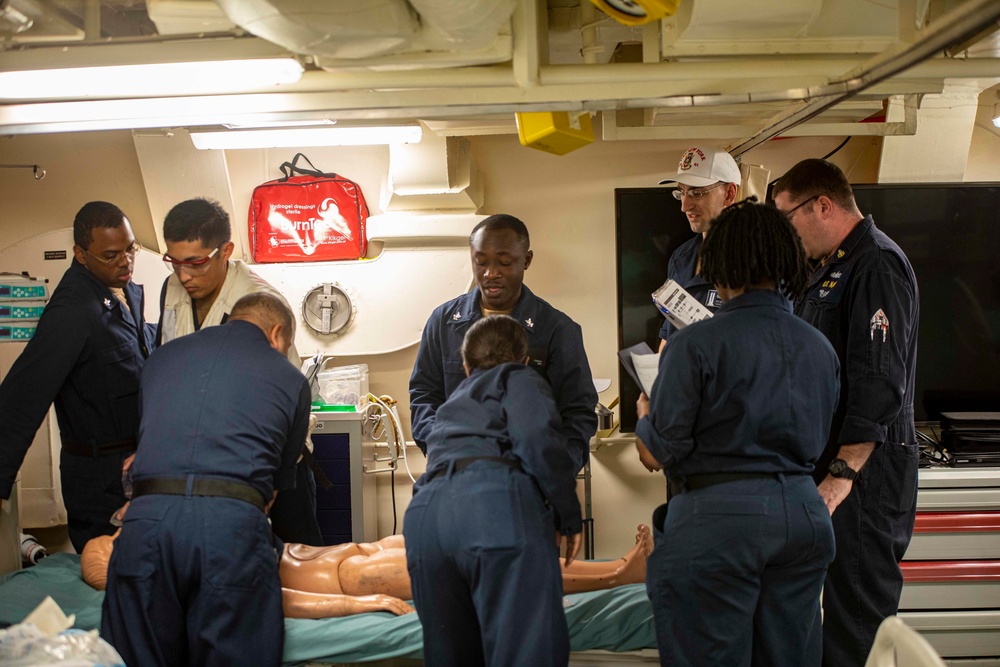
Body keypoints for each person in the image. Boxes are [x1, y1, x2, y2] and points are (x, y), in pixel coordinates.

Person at [634, 200, 840, 666]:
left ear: (720, 262)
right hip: (803, 518)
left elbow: (660, 449)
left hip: (718, 523)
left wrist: (646, 413)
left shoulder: (694, 344)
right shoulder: (818, 347)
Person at [101, 293, 310, 667]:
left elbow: (149, 443)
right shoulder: (291, 380)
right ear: (277, 334)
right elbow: (271, 493)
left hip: (146, 524)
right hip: (228, 526)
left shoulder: (161, 359)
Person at [772, 159, 920, 667]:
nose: (787, 235)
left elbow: (878, 384)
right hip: (838, 467)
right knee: (837, 620)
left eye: (787, 219)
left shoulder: (876, 264)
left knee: (858, 622)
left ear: (823, 206)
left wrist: (842, 473)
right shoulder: (832, 267)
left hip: (865, 474)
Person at [405, 315, 584, 667]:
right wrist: (569, 516)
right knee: (527, 653)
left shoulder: (453, 403)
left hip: (426, 519)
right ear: (523, 358)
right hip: (491, 506)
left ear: (467, 366)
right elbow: (538, 441)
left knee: (451, 655)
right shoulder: (518, 377)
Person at [156, 197, 321, 546]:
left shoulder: (260, 303)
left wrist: (271, 482)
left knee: (297, 559)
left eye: (196, 263)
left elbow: (289, 399)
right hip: (204, 466)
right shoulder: (171, 289)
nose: (184, 275)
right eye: (175, 262)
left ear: (226, 250)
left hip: (272, 466)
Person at [0, 201, 155, 553]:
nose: (126, 261)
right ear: (81, 255)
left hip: (135, 467)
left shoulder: (123, 290)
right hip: (98, 480)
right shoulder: (71, 312)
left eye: (130, 249)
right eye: (111, 255)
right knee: (107, 577)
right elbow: (22, 397)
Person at [83, 525, 653, 618]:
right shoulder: (197, 575)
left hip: (357, 551)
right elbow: (288, 602)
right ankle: (612, 578)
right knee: (489, 566)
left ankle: (611, 570)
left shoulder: (188, 540)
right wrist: (364, 605)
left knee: (486, 549)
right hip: (352, 579)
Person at [409, 213, 597, 471]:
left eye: (505, 262)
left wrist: (553, 470)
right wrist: (440, 448)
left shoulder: (557, 329)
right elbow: (424, 395)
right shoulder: (443, 322)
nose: (491, 273)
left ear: (526, 260)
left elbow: (577, 412)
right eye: (480, 262)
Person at [656, 146, 741, 351]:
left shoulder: (758, 262)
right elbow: (670, 334)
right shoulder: (681, 258)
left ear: (729, 193)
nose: (685, 206)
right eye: (682, 192)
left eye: (696, 193)